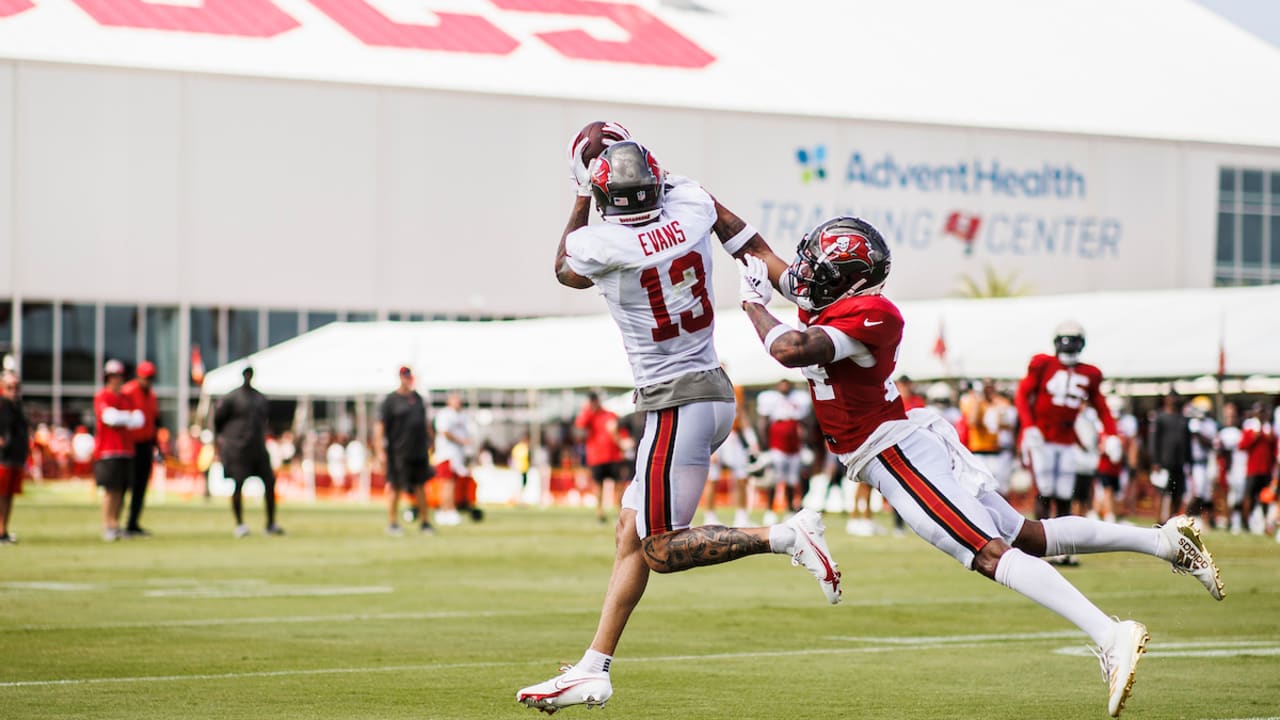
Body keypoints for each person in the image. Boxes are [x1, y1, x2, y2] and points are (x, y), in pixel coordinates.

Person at [735, 215, 1224, 718]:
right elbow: (752, 246)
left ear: (851, 280)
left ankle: (1109, 632)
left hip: (892, 450)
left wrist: (752, 304)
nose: (804, 275)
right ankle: (1165, 542)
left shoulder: (875, 313)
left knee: (986, 554)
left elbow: (791, 350)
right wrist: (687, 197)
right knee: (1027, 537)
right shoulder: (828, 293)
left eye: (820, 268)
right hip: (897, 443)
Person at [516, 136, 841, 714]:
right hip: (710, 389)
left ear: (602, 195)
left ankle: (786, 535)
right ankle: (593, 668)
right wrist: (795, 288)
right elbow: (748, 241)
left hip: (674, 402)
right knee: (628, 534)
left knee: (659, 548)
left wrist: (577, 190)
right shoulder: (690, 203)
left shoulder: (600, 240)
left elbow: (565, 270)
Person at [1016, 319, 1118, 565]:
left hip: (1066, 440)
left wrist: (1112, 433)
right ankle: (1038, 546)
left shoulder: (1088, 373)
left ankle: (1060, 546)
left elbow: (1101, 406)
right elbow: (1022, 394)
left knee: (1063, 494)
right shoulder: (1044, 365)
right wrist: (1029, 427)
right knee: (1045, 492)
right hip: (1042, 438)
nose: (1069, 348)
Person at [213, 366, 283, 538]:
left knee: (270, 481)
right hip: (238, 448)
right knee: (238, 484)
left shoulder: (259, 398)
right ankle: (240, 524)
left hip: (257, 447)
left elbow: (265, 420)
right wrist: (223, 441)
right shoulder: (232, 397)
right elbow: (218, 420)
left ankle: (270, 523)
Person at [377, 366, 433, 535]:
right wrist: (380, 450)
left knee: (420, 486)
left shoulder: (418, 399)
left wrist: (431, 441)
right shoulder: (391, 401)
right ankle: (392, 522)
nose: (408, 380)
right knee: (396, 486)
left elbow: (426, 424)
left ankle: (425, 522)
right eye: (405, 376)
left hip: (418, 450)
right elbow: (380, 427)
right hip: (398, 451)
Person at [94, 359, 143, 542]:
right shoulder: (103, 396)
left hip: (125, 449)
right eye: (114, 376)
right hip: (108, 451)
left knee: (121, 490)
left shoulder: (125, 398)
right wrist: (127, 418)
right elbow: (110, 418)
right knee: (110, 490)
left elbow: (139, 419)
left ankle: (115, 523)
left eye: (120, 376)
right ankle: (107, 525)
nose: (117, 379)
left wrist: (125, 417)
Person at [755, 378, 811, 522]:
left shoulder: (799, 399)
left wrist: (806, 442)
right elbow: (763, 424)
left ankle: (790, 509)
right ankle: (770, 509)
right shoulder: (770, 399)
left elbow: (805, 423)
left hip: (794, 446)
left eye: (787, 383)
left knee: (792, 480)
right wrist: (764, 447)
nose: (784, 386)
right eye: (782, 383)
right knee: (774, 478)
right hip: (777, 445)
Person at [120, 360, 159, 537]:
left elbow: (155, 421)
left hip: (146, 445)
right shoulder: (128, 391)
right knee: (124, 485)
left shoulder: (152, 395)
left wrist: (157, 445)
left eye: (151, 378)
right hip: (130, 445)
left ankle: (132, 523)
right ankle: (115, 523)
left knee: (141, 486)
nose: (148, 381)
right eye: (146, 377)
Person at [574, 392, 624, 523]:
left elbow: (619, 431)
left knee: (618, 485)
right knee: (598, 486)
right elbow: (579, 425)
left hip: (613, 455)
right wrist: (587, 410)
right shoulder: (589, 415)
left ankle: (619, 511)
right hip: (596, 457)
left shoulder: (609, 415)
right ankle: (599, 512)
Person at [1149, 392, 1191, 523]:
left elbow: (1187, 442)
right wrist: (1155, 461)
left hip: (1179, 463)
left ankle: (1171, 521)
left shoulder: (1182, 419)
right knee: (1161, 493)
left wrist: (1189, 462)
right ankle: (1158, 521)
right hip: (1164, 462)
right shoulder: (1160, 418)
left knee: (1177, 494)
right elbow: (1154, 440)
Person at [0, 370, 29, 544]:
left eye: (17, 387)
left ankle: (3, 530)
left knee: (9, 495)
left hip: (15, 457)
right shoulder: (2, 405)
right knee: (2, 494)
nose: (14, 390)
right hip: (3, 458)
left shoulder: (17, 406)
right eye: (10, 387)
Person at [432, 392, 470, 527]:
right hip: (445, 454)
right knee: (446, 484)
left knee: (452, 484)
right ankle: (446, 510)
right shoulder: (444, 414)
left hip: (456, 457)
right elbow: (444, 432)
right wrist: (460, 440)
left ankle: (448, 510)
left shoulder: (462, 415)